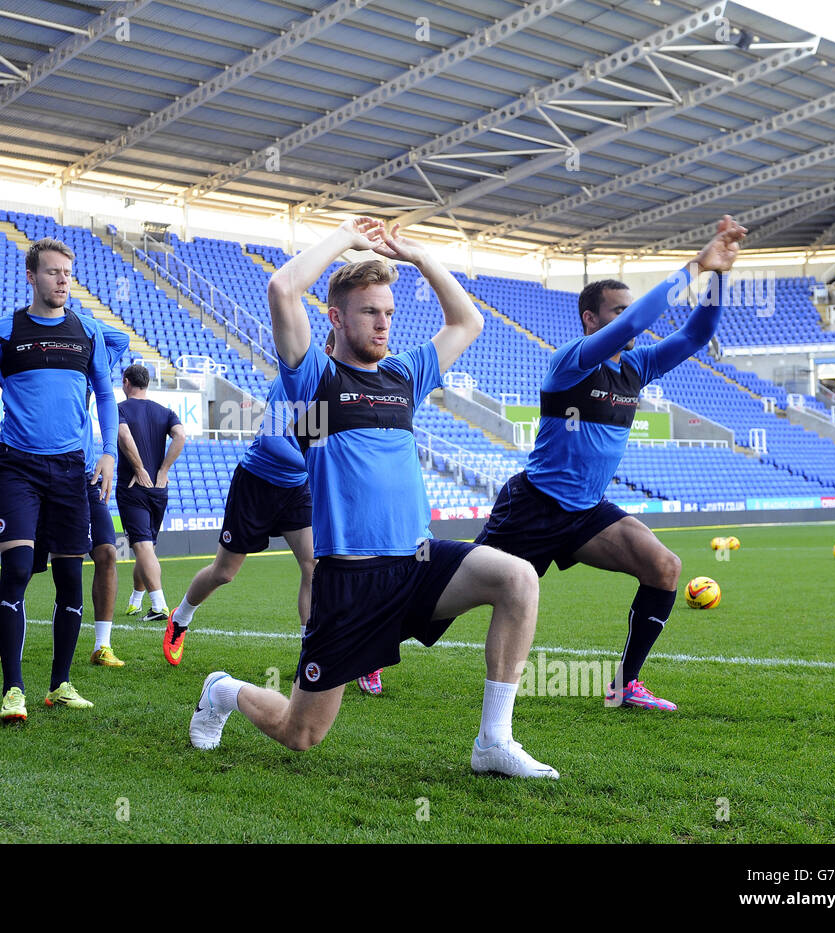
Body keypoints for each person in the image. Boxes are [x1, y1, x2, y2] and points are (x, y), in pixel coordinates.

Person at [188, 217, 558, 779]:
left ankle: (494, 741)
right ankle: (223, 690)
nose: (383, 323)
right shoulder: (313, 378)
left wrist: (415, 255)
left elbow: (468, 320)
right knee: (301, 733)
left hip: (419, 561)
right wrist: (345, 236)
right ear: (335, 317)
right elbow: (282, 288)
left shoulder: (405, 374)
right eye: (369, 312)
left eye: (388, 312)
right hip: (350, 582)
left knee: (518, 579)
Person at [474, 215, 748, 712]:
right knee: (446, 603)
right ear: (590, 319)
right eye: (615, 311)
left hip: (585, 510)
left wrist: (719, 276)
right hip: (532, 506)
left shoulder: (635, 368)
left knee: (664, 567)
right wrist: (693, 267)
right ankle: (369, 653)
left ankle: (624, 686)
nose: (627, 318)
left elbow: (693, 338)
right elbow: (636, 323)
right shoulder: (572, 361)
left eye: (627, 307)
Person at [0, 238, 118, 724]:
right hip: (17, 468)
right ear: (31, 277)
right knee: (16, 571)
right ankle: (13, 690)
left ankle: (60, 684)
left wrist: (109, 453)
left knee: (71, 579)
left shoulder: (88, 332)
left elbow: (104, 393)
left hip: (71, 469)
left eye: (68, 274)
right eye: (53, 272)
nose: (62, 281)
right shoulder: (3, 332)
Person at [163, 338, 319, 670]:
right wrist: (313, 464)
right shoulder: (291, 383)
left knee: (313, 565)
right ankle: (181, 617)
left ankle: (311, 651)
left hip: (295, 489)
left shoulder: (334, 392)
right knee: (224, 573)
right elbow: (271, 439)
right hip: (257, 485)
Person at [28, 321, 132, 669]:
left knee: (106, 553)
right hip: (49, 477)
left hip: (88, 477)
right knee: (25, 568)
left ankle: (102, 645)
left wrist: (78, 323)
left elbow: (121, 338)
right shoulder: (43, 366)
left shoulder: (89, 367)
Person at [117, 364, 186, 623]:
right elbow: (180, 436)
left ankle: (159, 605)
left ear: (126, 382)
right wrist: (164, 470)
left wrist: (139, 468)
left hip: (133, 486)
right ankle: (136, 600)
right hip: (160, 489)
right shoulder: (165, 411)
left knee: (143, 546)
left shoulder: (120, 409)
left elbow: (123, 435)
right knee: (146, 547)